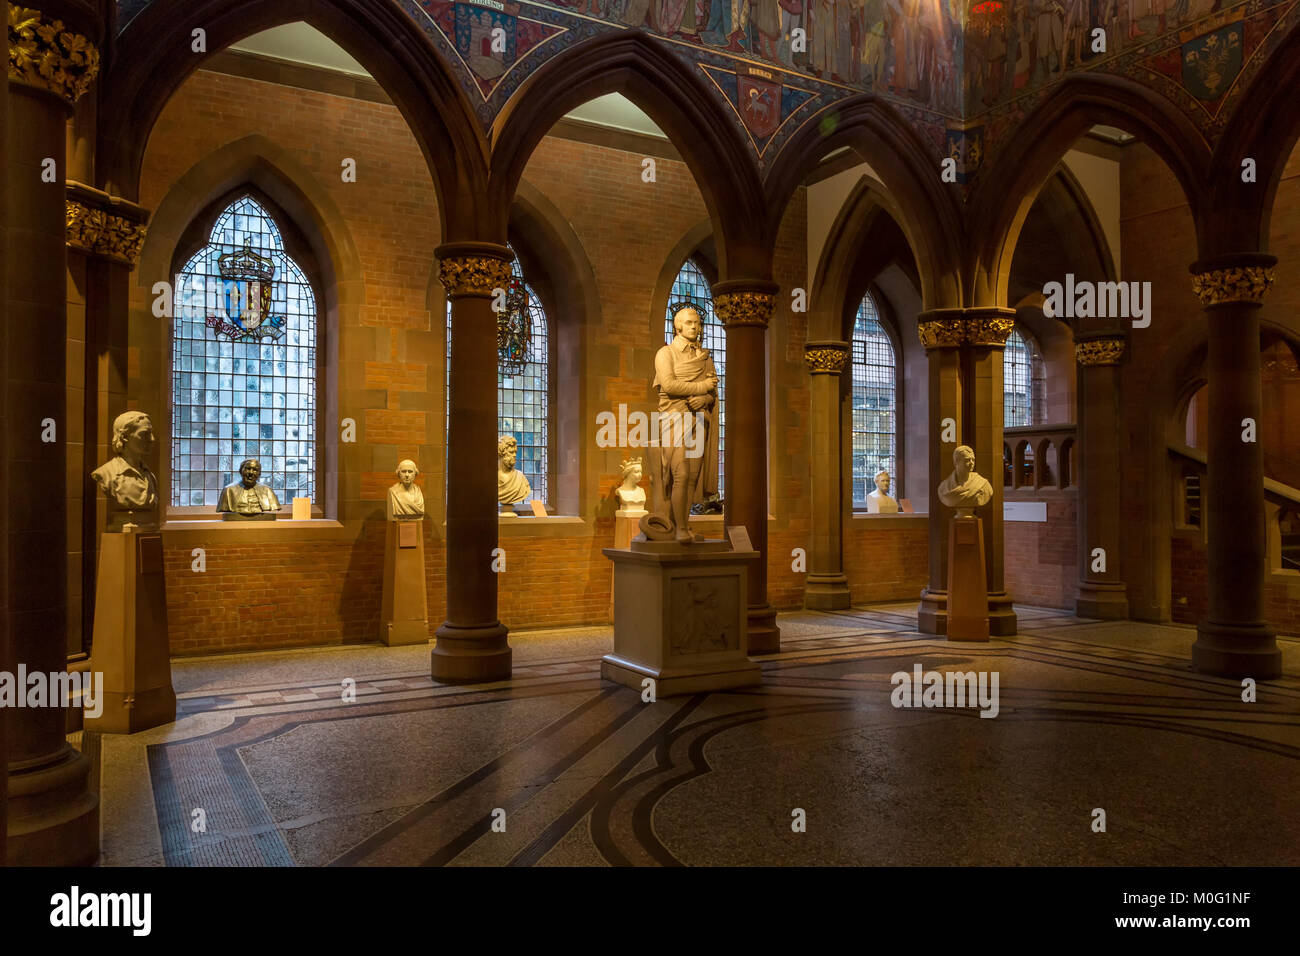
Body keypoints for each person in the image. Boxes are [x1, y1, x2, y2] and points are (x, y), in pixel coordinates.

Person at [649, 307, 719, 543]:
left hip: (698, 418)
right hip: (674, 418)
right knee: (680, 473)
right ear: (677, 326)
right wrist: (702, 388)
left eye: (697, 323)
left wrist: (705, 398)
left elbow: (713, 391)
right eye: (689, 322)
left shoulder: (704, 357)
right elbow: (669, 385)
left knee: (692, 477)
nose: (694, 327)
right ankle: (676, 529)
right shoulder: (666, 353)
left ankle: (684, 524)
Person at [91, 410, 159, 529]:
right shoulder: (106, 474)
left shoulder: (150, 475)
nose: (152, 439)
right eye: (144, 434)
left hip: (146, 526)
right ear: (124, 437)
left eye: (151, 433)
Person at [937, 445, 993, 515]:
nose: (972, 463)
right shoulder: (944, 488)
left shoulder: (983, 485)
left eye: (973, 459)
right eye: (967, 460)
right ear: (956, 462)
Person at [217, 459, 281, 519]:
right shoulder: (228, 490)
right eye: (248, 469)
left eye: (255, 470)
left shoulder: (267, 490)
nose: (251, 473)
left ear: (259, 473)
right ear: (240, 471)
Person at [497, 436, 532, 505]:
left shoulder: (520, 477)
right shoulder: (491, 478)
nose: (515, 455)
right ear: (501, 453)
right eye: (511, 452)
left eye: (515, 452)